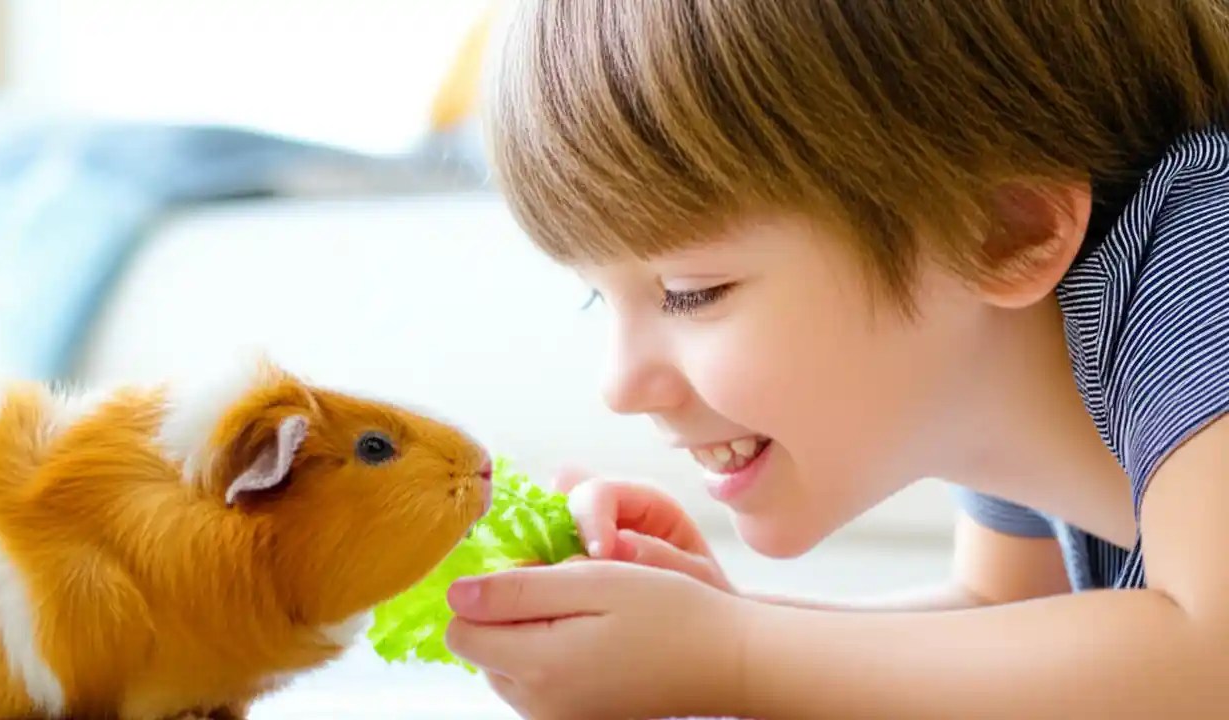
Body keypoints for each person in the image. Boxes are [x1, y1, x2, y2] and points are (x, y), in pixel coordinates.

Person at [441, 1, 1229, 717]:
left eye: (691, 292)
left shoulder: (1204, 256)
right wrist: (694, 632)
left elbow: (1210, 660)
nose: (620, 386)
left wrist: (735, 653)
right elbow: (1004, 618)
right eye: (596, 299)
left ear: (1004, 230)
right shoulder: (1006, 369)